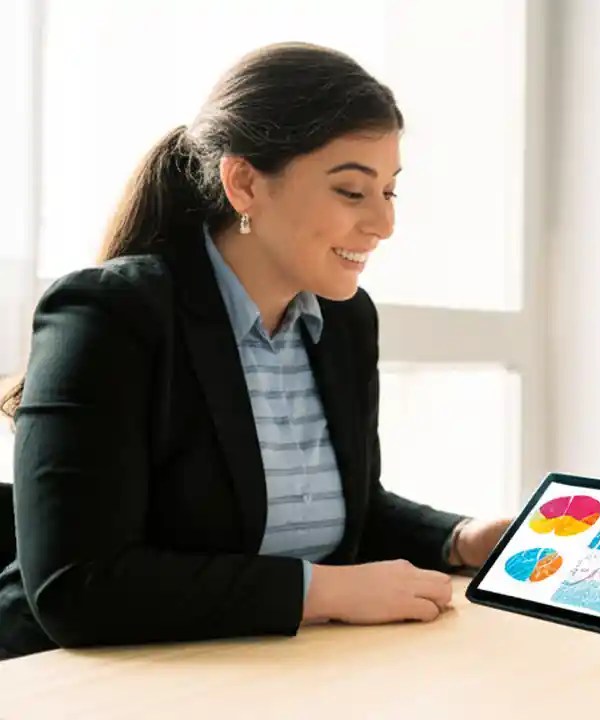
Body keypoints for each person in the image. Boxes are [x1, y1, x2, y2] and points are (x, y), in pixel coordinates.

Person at [0, 43, 511, 659]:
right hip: (72, 677)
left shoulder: (344, 320)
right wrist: (326, 592)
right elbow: (76, 587)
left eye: (390, 192)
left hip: (264, 668)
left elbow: (341, 512)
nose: (383, 223)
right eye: (352, 191)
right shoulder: (109, 315)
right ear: (243, 182)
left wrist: (460, 539)